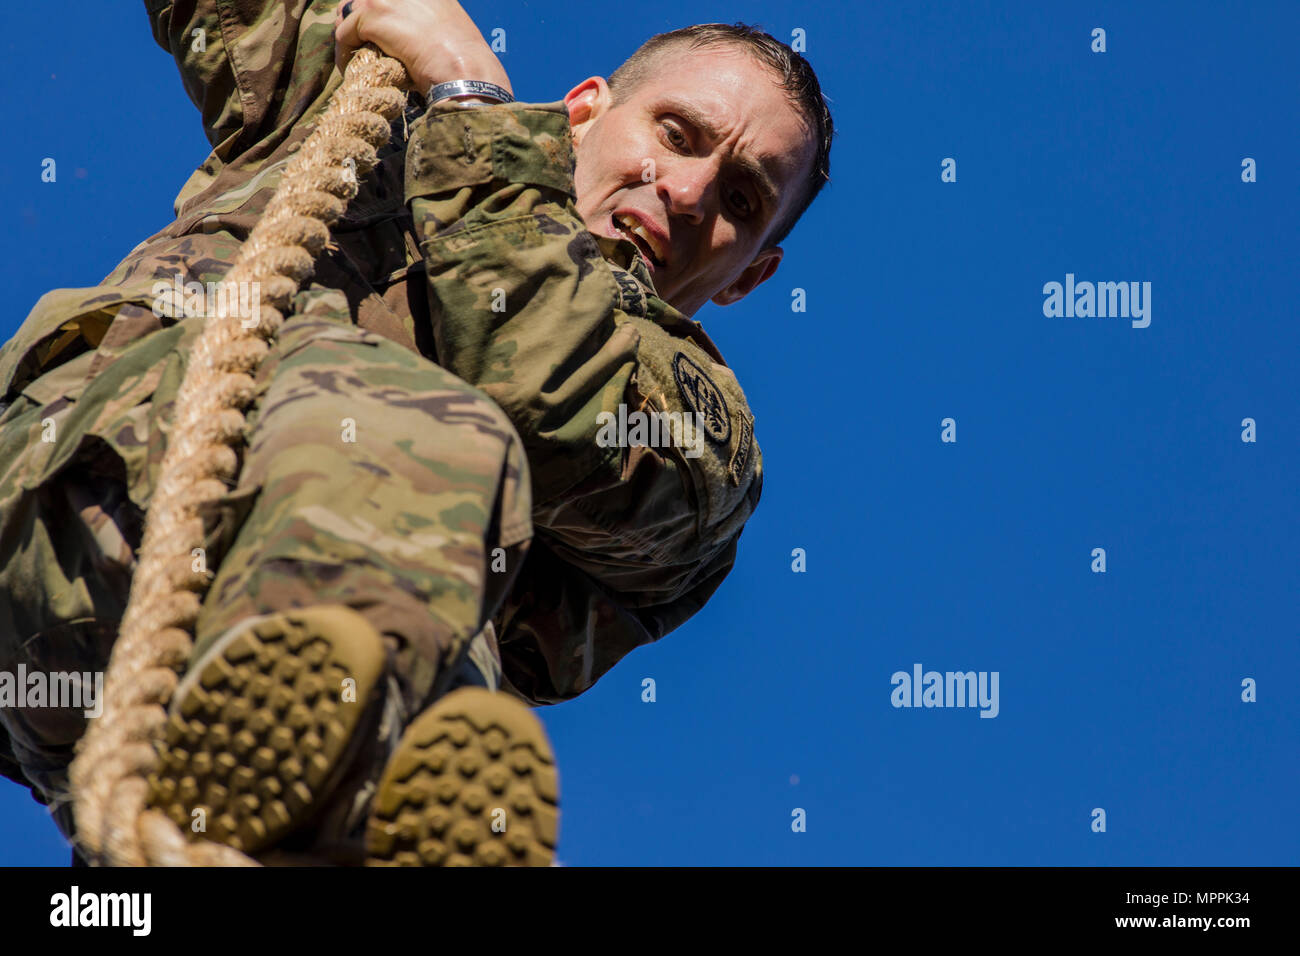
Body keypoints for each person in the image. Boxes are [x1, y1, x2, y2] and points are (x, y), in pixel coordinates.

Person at [0, 0, 833, 865]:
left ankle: (317, 783)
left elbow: (544, 385)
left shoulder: (699, 437)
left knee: (444, 444)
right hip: (82, 498)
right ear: (583, 113)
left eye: (741, 199)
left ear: (752, 274)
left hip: (166, 712)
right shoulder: (371, 125)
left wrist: (473, 103)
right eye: (677, 134)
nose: (689, 193)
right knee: (421, 433)